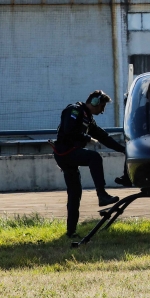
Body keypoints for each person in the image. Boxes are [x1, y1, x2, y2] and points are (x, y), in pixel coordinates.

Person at [53, 90, 124, 238]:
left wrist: (124, 150)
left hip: (69, 154)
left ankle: (70, 232)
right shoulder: (74, 110)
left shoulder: (88, 118)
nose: (103, 111)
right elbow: (68, 130)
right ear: (95, 102)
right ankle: (102, 194)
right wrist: (87, 138)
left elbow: (104, 138)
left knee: (75, 193)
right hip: (65, 154)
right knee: (94, 158)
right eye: (102, 107)